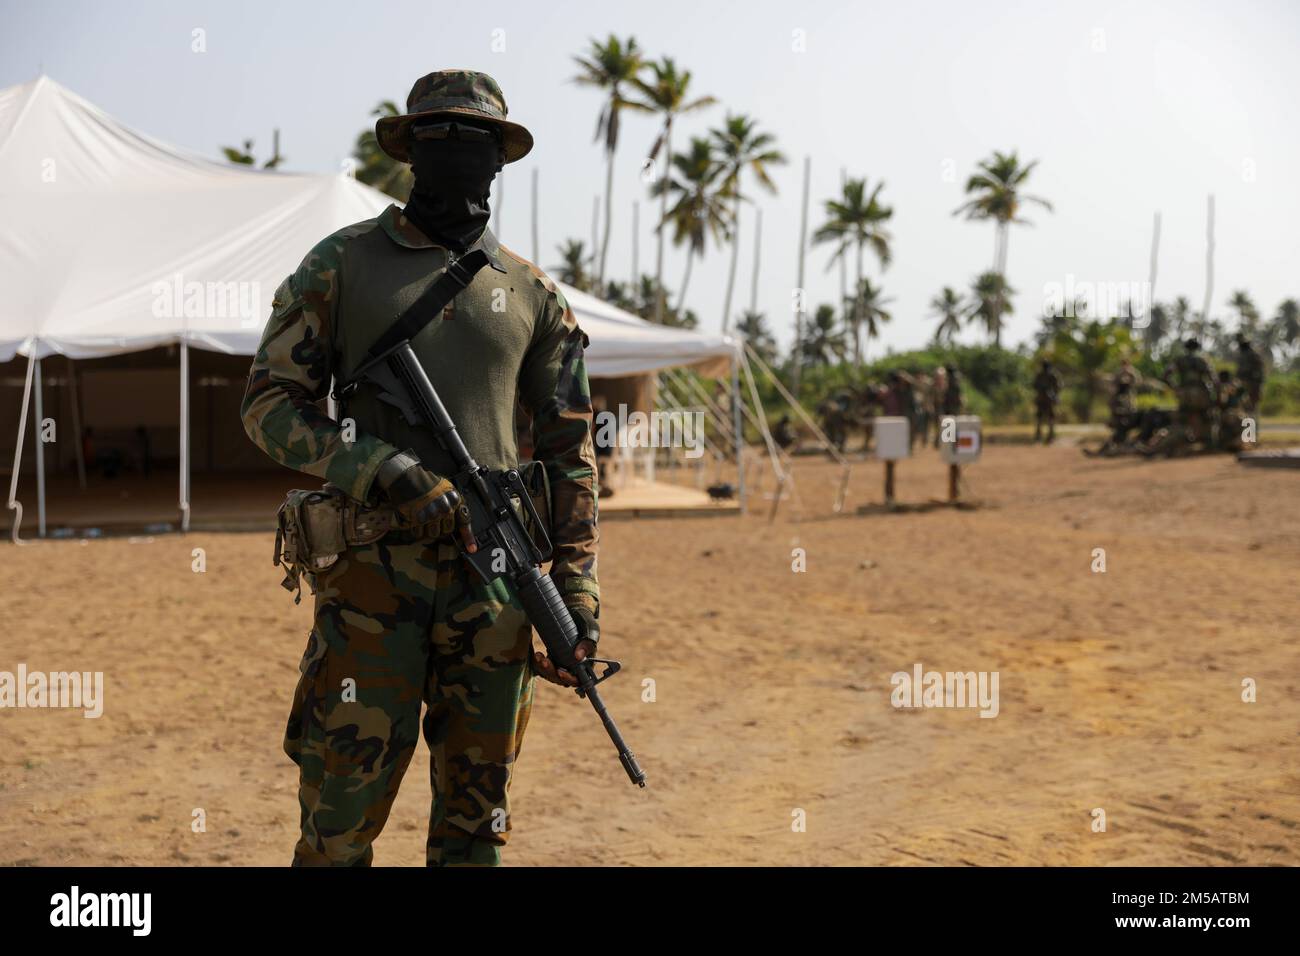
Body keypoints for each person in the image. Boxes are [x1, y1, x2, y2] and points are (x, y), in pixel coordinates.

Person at [241, 70, 600, 867]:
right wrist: (374, 465)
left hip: (499, 589)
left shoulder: (534, 293)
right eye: (439, 137)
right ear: (409, 151)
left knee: (478, 827)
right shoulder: (341, 265)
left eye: (475, 140)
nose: (458, 153)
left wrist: (576, 589)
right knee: (339, 820)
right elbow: (268, 405)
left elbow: (572, 451)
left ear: (501, 159)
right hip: (372, 586)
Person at [1031, 359, 1063, 443]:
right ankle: (1042, 435)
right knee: (1042, 418)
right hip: (1043, 398)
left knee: (1047, 417)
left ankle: (1049, 435)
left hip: (1046, 398)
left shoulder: (1050, 375)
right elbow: (1035, 386)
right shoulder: (1046, 375)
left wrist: (1053, 394)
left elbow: (1057, 387)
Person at [1235, 334, 1264, 415]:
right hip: (1243, 383)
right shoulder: (1243, 355)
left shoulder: (1253, 355)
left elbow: (1259, 370)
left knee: (1252, 405)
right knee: (1244, 404)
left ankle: (1251, 422)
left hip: (1252, 383)